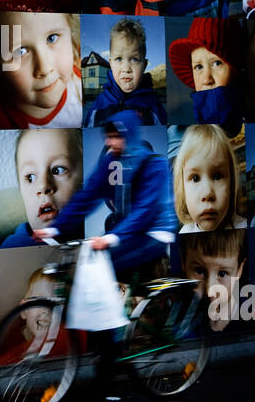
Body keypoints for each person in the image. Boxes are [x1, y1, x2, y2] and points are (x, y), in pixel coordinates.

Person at [35, 112, 178, 283]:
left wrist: (110, 238)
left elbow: (145, 210)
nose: (109, 142)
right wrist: (54, 228)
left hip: (155, 234)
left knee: (104, 266)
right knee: (90, 262)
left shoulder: (156, 164)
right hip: (131, 233)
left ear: (129, 135)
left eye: (116, 136)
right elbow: (88, 196)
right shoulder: (111, 161)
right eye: (108, 137)